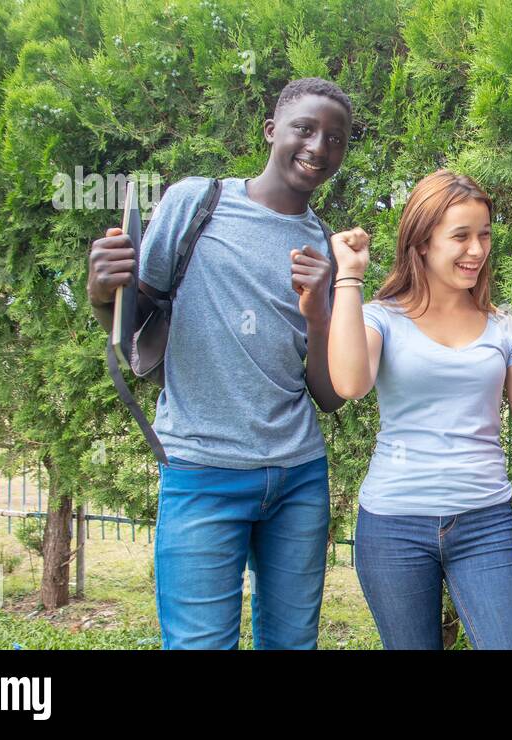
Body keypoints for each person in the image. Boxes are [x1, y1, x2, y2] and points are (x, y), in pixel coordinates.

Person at [86, 78, 353, 649]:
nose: (318, 147)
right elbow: (134, 319)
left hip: (298, 477)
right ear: (271, 131)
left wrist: (317, 312)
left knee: (291, 643)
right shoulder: (197, 202)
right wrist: (100, 289)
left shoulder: (324, 247)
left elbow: (328, 395)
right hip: (201, 470)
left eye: (335, 138)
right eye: (304, 128)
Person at [328, 169, 512, 650]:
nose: (477, 250)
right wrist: (349, 277)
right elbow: (349, 382)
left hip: (484, 522)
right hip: (393, 523)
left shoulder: (506, 331)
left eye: (485, 235)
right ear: (422, 243)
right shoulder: (381, 318)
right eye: (461, 236)